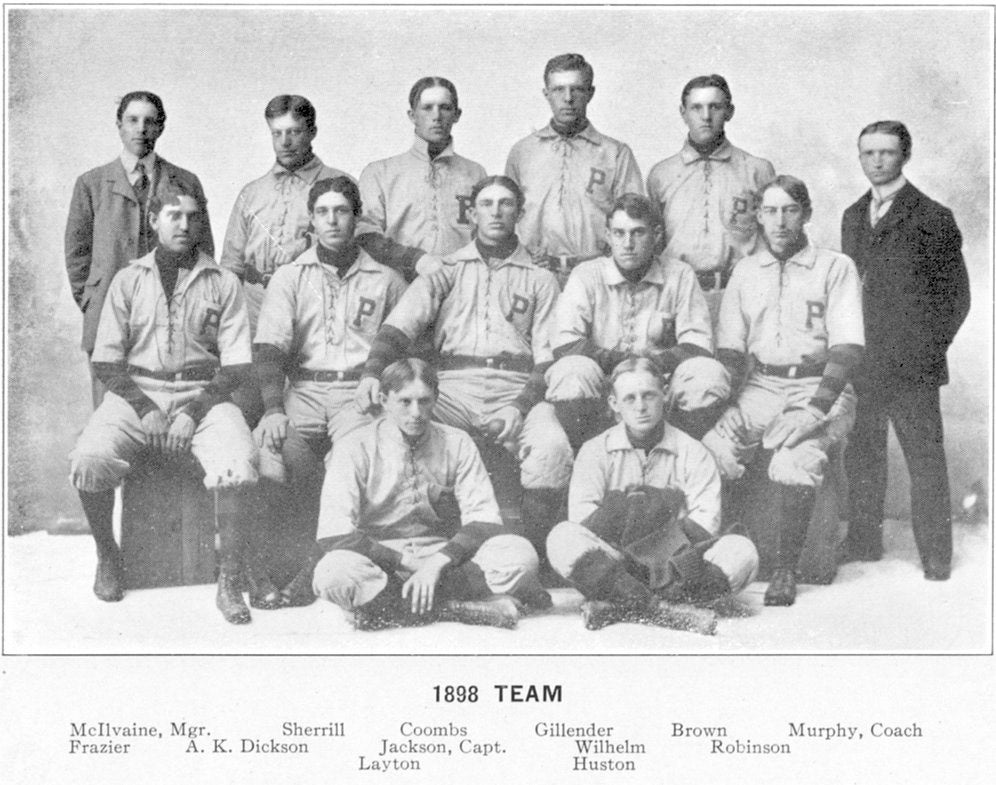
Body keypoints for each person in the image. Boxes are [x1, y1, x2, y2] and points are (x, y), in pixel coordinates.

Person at [67, 184, 258, 625]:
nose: (184, 224)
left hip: (205, 395)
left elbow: (236, 366)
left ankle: (228, 578)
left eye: (192, 216)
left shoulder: (223, 282)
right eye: (173, 215)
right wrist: (146, 408)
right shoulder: (129, 278)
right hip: (138, 394)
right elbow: (107, 362)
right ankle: (108, 555)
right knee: (90, 458)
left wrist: (192, 413)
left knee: (239, 461)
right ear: (153, 221)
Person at [356, 175, 573, 560]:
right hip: (454, 387)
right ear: (471, 213)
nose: (496, 211)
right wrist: (372, 373)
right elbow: (396, 328)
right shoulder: (446, 269)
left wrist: (519, 407)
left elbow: (548, 358)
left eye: (506, 204)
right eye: (486, 204)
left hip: (516, 386)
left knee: (551, 445)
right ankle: (412, 546)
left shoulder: (541, 278)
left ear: (519, 213)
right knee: (397, 420)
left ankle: (537, 554)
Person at [700, 175, 864, 606]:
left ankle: (785, 570)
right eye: (770, 211)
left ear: (806, 214)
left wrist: (815, 411)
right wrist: (728, 408)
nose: (779, 220)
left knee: (794, 459)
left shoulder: (834, 266)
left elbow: (847, 348)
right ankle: (715, 556)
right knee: (711, 449)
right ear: (757, 216)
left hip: (819, 385)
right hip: (762, 384)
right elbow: (733, 350)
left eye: (790, 210)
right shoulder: (746, 270)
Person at [251, 176, 407, 606]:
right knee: (271, 449)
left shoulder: (387, 279)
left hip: (359, 392)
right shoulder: (290, 276)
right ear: (312, 220)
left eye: (341, 211)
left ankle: (310, 571)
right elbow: (269, 347)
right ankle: (266, 566)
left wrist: (380, 388)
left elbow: (405, 347)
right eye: (323, 212)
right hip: (303, 387)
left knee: (350, 462)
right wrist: (271, 409)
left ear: (356, 218)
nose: (333, 220)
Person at [312, 359, 550, 630]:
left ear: (436, 399)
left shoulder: (457, 442)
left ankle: (390, 609)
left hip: (445, 558)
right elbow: (333, 532)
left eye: (424, 401)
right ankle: (453, 609)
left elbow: (484, 519)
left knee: (519, 555)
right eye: (405, 402)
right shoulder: (354, 446)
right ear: (383, 399)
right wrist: (409, 564)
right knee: (332, 572)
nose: (416, 412)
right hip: (380, 561)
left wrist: (435, 564)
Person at [841, 121, 970, 580]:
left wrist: (926, 350)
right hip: (864, 363)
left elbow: (956, 298)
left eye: (886, 152)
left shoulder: (933, 216)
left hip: (913, 367)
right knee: (864, 455)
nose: (876, 161)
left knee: (925, 461)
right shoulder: (854, 215)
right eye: (868, 153)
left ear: (905, 155)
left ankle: (936, 555)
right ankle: (863, 540)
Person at [546, 358, 758, 632]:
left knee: (742, 551)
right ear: (614, 404)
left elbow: (706, 525)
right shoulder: (595, 450)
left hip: (678, 566)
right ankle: (662, 610)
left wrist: (642, 511)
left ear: (665, 395)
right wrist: (642, 506)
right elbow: (583, 522)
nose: (641, 406)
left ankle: (621, 607)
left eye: (649, 395)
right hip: (615, 565)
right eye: (630, 398)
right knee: (561, 538)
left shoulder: (692, 451)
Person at [546, 193, 729, 450]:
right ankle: (588, 453)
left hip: (660, 387)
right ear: (608, 236)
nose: (628, 243)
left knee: (708, 374)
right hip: (605, 387)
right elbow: (565, 343)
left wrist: (652, 365)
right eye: (619, 233)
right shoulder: (586, 274)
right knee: (570, 372)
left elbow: (699, 343)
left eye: (638, 232)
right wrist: (620, 363)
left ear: (655, 235)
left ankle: (677, 451)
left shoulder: (679, 274)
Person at [65, 90, 214, 405]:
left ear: (161, 127)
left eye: (150, 121)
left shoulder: (186, 182)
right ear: (119, 125)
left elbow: (204, 250)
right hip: (106, 309)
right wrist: (93, 300)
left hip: (172, 317)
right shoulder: (91, 184)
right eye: (133, 120)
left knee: (170, 417)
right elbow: (77, 255)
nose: (141, 129)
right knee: (110, 417)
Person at [505, 53, 643, 282]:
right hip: (534, 276)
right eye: (558, 89)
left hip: (596, 277)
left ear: (590, 93)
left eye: (577, 89)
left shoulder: (615, 153)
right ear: (546, 94)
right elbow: (506, 219)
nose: (568, 98)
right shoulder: (522, 152)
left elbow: (633, 222)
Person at [220, 95, 353, 331]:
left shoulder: (340, 186)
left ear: (312, 132)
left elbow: (355, 254)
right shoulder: (251, 193)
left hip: (312, 305)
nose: (285, 142)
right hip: (254, 307)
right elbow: (231, 264)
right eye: (277, 133)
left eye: (294, 132)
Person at [645, 74, 774, 317]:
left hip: (740, 292)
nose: (706, 116)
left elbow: (772, 240)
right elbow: (652, 244)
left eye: (715, 107)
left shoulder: (757, 170)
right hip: (678, 295)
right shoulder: (661, 175)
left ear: (729, 111)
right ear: (683, 113)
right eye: (696, 108)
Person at [356, 76, 486, 279]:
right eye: (427, 108)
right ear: (412, 115)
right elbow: (365, 235)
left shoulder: (475, 173)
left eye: (445, 108)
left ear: (457, 115)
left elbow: (485, 237)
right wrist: (415, 260)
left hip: (460, 289)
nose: (437, 116)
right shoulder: (380, 173)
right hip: (399, 286)